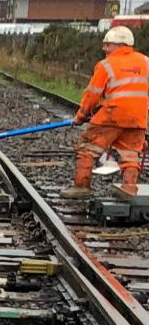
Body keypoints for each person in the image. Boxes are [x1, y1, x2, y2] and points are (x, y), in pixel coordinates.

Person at [66, 25, 148, 199]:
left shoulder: (106, 65)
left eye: (107, 44)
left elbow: (92, 94)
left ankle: (81, 187)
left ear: (119, 45)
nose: (104, 48)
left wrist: (81, 116)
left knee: (87, 149)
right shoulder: (145, 62)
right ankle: (129, 190)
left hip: (111, 117)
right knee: (130, 156)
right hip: (137, 119)